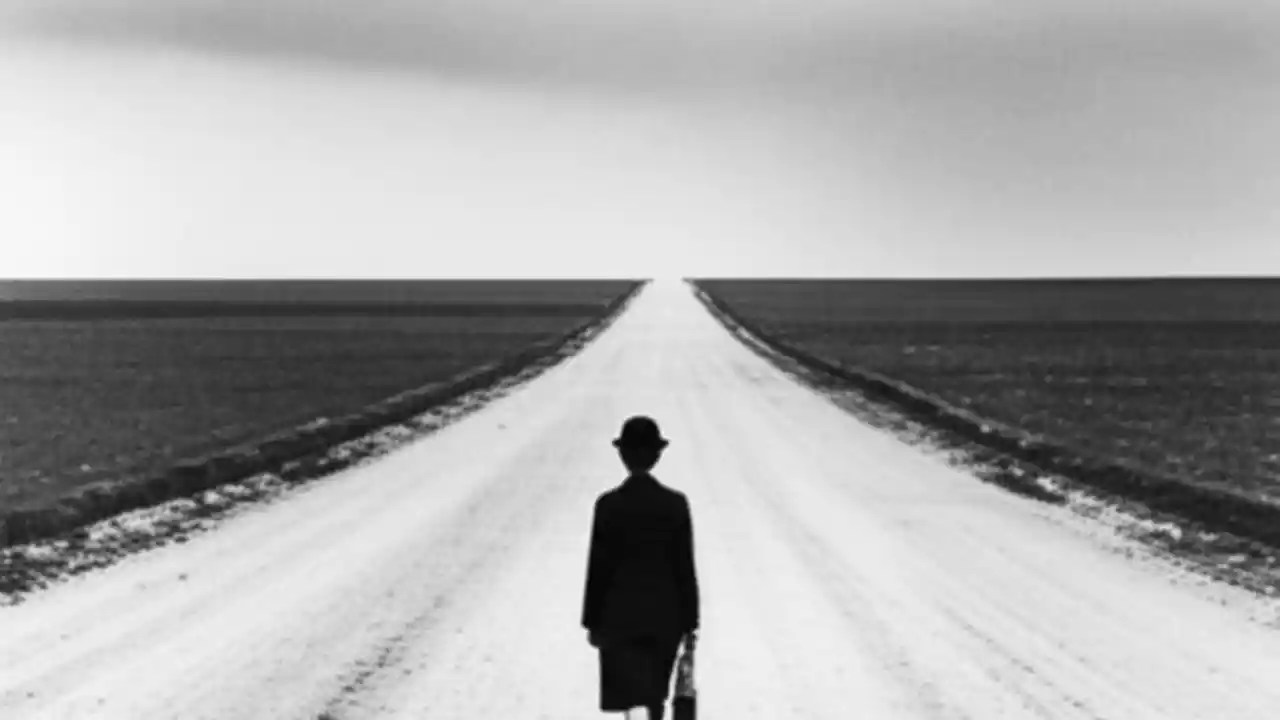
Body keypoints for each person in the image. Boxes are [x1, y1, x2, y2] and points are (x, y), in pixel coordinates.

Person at [582, 415, 700, 720]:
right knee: (656, 693)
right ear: (657, 455)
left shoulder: (608, 505)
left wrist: (592, 621)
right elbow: (684, 567)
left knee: (630, 696)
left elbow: (599, 569)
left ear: (623, 455)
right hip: (665, 618)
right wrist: (691, 621)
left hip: (618, 618)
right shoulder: (675, 504)